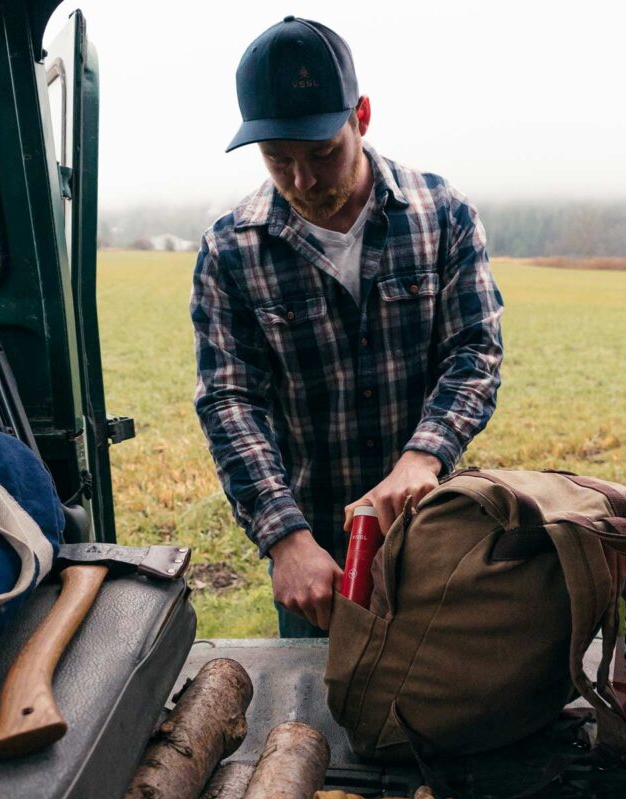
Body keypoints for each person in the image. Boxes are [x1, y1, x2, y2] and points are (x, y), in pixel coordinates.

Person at [192, 16, 503, 637]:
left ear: (361, 116)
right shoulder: (229, 251)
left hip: (433, 527)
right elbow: (231, 402)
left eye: (322, 154)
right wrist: (285, 540)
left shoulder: (442, 214)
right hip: (314, 558)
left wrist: (423, 456)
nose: (303, 181)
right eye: (279, 160)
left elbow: (474, 352)